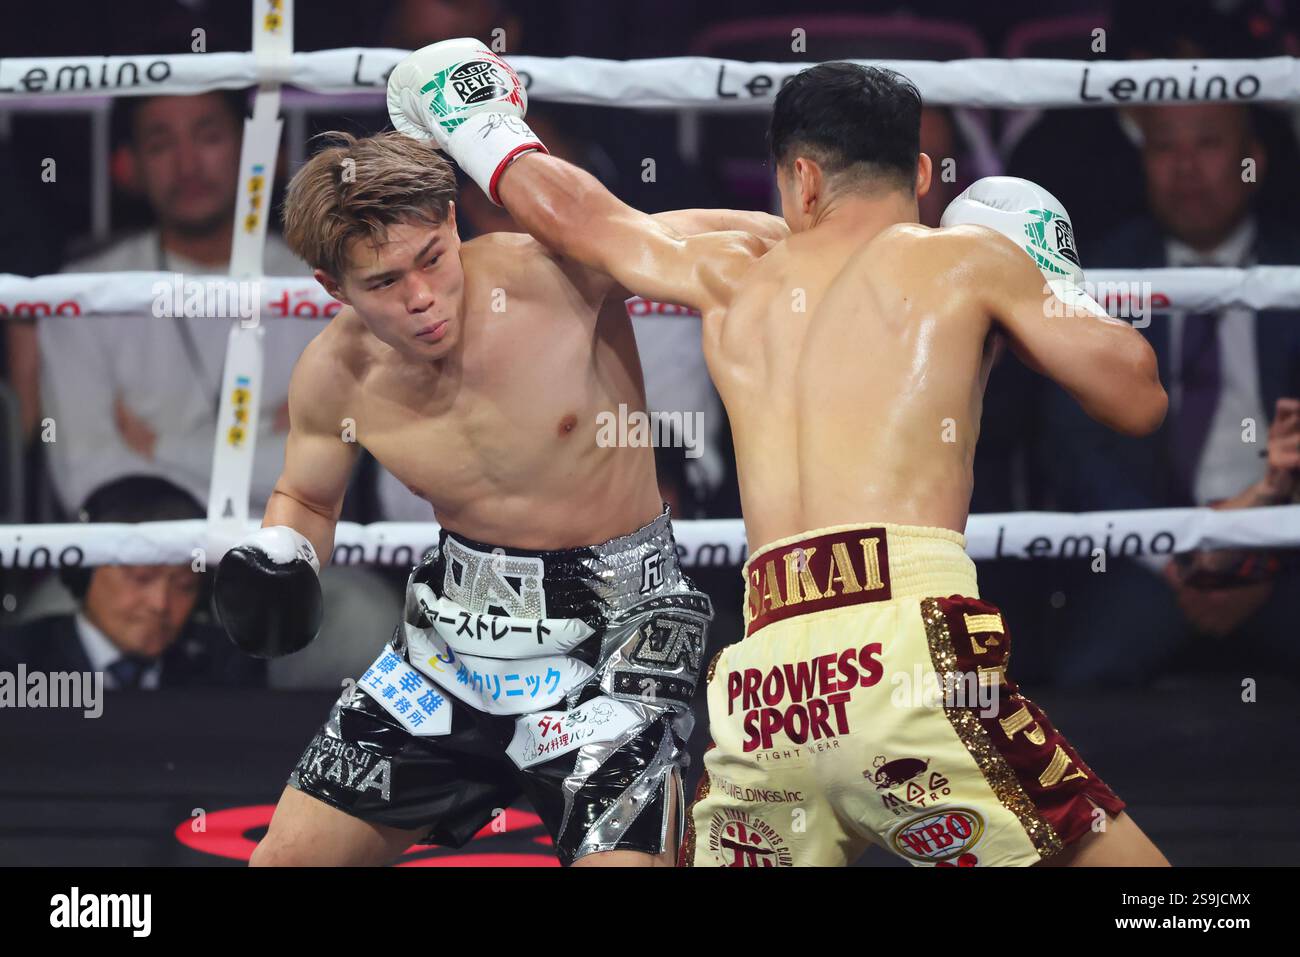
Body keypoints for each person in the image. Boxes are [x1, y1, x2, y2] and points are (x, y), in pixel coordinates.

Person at [390, 42, 1170, 865]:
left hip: (764, 686)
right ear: (923, 173)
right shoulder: (967, 259)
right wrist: (1047, 284)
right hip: (907, 649)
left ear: (800, 179)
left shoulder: (733, 273)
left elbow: (586, 221)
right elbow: (1139, 398)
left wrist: (477, 121)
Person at [213, 126, 785, 867]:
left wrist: (921, 252)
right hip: (451, 638)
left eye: (431, 260)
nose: (422, 298)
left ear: (452, 222)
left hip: (621, 629)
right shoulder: (334, 375)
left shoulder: (558, 271)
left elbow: (756, 236)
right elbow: (308, 498)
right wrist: (283, 552)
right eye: (385, 284)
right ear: (334, 288)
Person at [1039, 101, 1300, 687]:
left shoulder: (1295, 268)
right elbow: (1072, 444)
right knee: (1080, 681)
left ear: (1252, 160)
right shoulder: (1100, 273)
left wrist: (1263, 552)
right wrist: (1176, 556)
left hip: (1285, 551)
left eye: (1207, 144)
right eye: (1164, 148)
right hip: (1149, 557)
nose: (1185, 168)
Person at [38, 92, 316, 516]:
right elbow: (87, 477)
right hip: (136, 563)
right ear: (128, 167)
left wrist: (160, 449)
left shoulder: (321, 283)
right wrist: (264, 448)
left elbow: (322, 473)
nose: (187, 165)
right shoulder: (82, 292)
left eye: (208, 136)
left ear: (257, 151)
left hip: (293, 551)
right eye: (160, 144)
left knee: (356, 588)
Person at [0, 475, 264, 690]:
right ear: (82, 572)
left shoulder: (226, 666)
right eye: (141, 578)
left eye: (185, 585)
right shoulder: (15, 664)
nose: (160, 603)